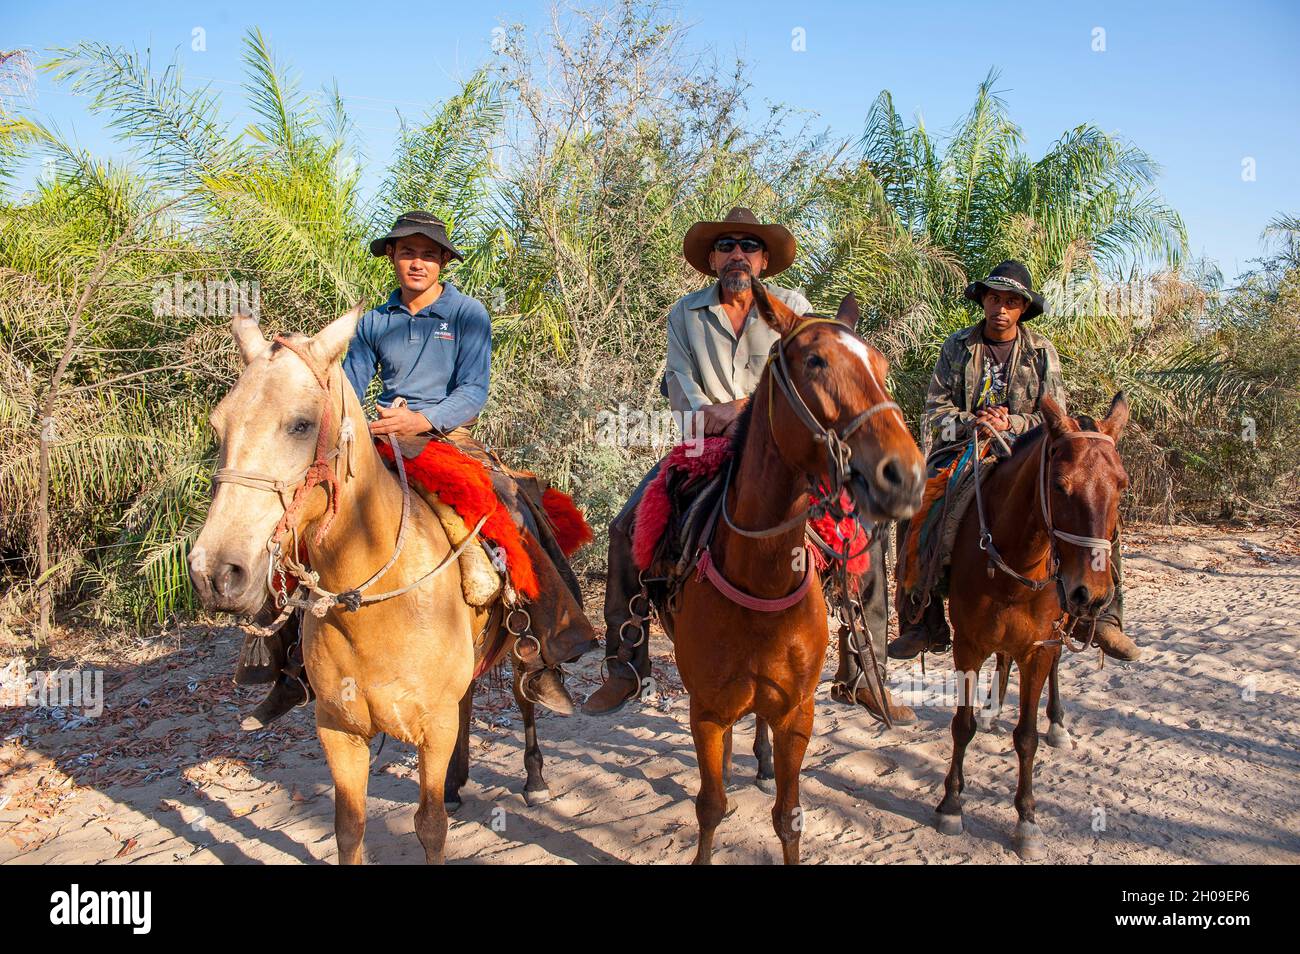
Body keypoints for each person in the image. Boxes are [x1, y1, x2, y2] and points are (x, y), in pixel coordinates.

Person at [234, 211, 593, 726]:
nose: (417, 262)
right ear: (393, 259)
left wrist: (421, 419)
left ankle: (541, 650)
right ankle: (288, 668)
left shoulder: (468, 314)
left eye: (427, 253)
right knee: (295, 521)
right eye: (407, 252)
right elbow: (351, 386)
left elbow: (473, 391)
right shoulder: (375, 322)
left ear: (443, 260)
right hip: (380, 440)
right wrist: (371, 424)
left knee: (511, 509)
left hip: (447, 439)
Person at [581, 207, 915, 722]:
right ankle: (626, 664)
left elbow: (813, 374)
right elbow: (679, 380)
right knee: (627, 528)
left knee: (861, 532)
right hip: (705, 441)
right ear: (713, 258)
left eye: (749, 246)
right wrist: (703, 417)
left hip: (781, 448)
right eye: (728, 245)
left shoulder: (796, 309)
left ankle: (863, 671)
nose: (738, 254)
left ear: (763, 260)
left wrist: (743, 410)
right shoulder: (685, 313)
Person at [888, 260, 1138, 661]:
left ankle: (1105, 616)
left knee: (1095, 497)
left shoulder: (1041, 350)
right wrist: (974, 421)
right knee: (916, 501)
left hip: (1029, 448)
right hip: (964, 446)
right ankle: (922, 618)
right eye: (993, 298)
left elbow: (1057, 415)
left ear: (1022, 308)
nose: (1000, 308)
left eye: (1010, 301)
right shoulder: (957, 346)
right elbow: (934, 410)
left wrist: (1014, 421)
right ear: (983, 301)